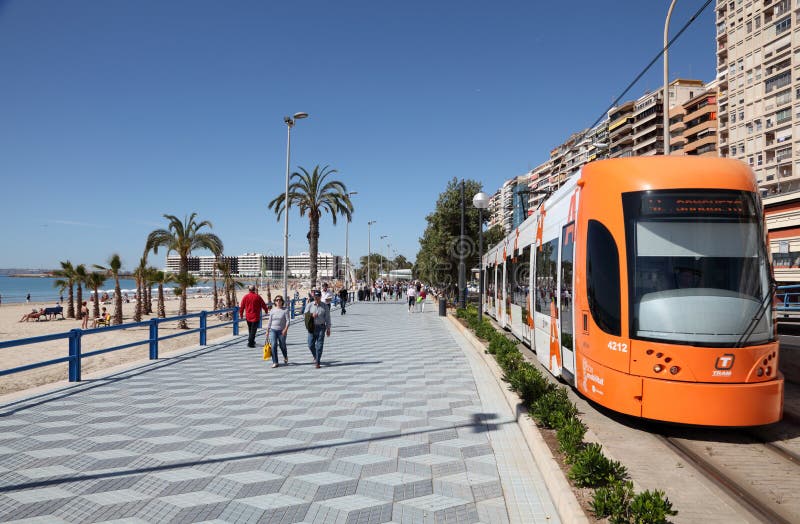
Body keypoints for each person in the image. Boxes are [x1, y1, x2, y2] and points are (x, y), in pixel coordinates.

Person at [304, 290, 331, 368]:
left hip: (321, 327)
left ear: (320, 297)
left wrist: (328, 328)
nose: (316, 298)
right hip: (312, 327)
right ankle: (315, 356)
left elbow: (327, 318)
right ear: (313, 297)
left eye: (318, 297)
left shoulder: (325, 306)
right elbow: (305, 315)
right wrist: (311, 315)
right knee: (310, 344)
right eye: (315, 297)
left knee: (319, 345)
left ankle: (317, 362)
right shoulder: (309, 305)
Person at [265, 295, 290, 368]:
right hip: (273, 330)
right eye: (277, 300)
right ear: (275, 302)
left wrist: (285, 329)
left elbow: (288, 321)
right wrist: (267, 331)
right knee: (273, 345)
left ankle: (285, 356)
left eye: (280, 300)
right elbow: (269, 321)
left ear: (282, 301)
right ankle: (275, 362)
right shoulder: (272, 310)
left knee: (282, 346)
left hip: (282, 331)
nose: (278, 301)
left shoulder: (285, 310)